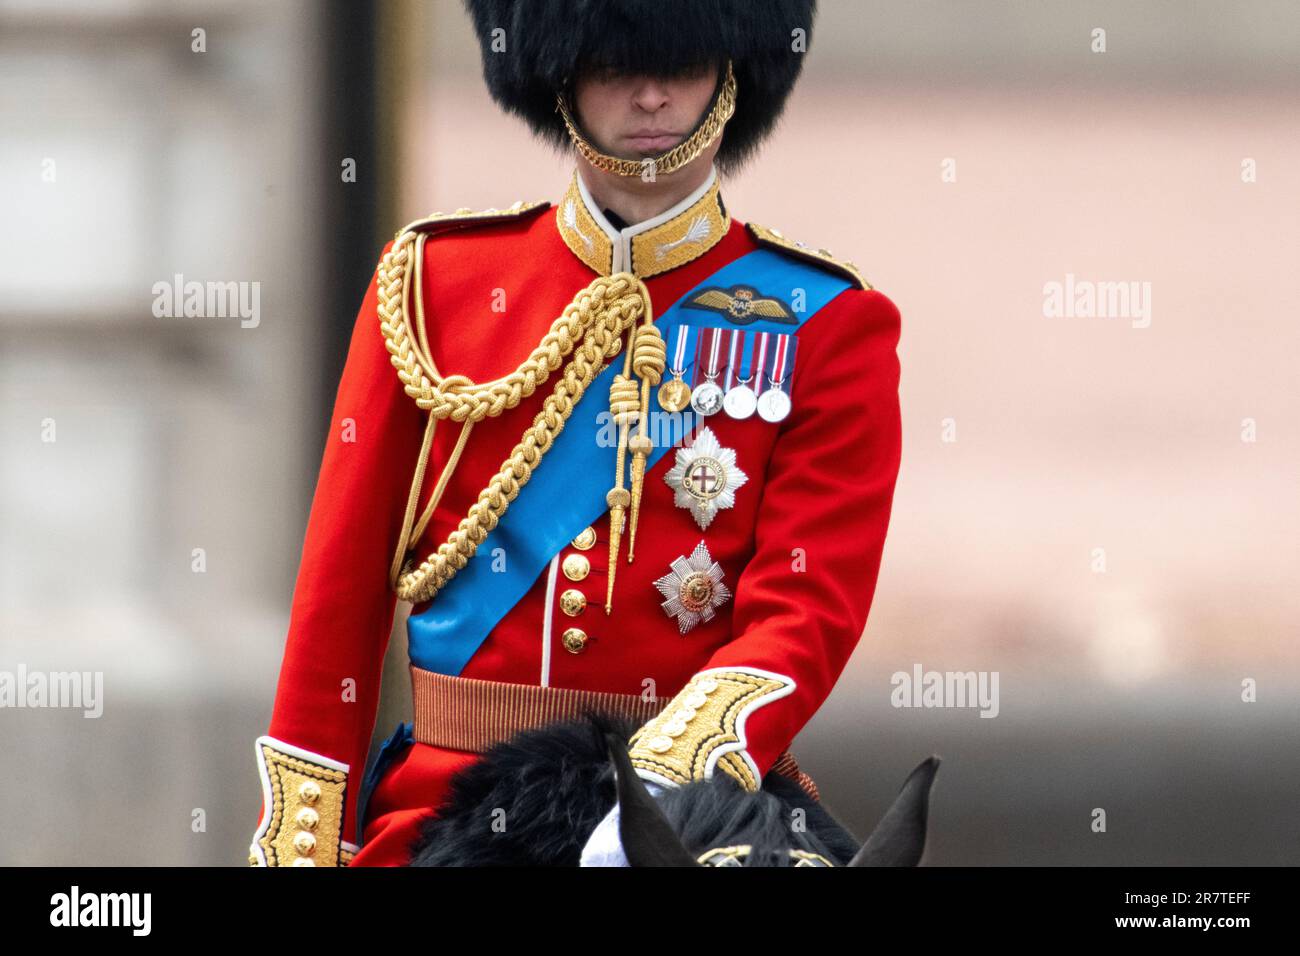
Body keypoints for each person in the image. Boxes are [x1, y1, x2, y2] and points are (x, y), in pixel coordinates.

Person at [247, 0, 903, 867]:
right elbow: (339, 601)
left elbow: (807, 607)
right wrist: (302, 839)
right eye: (612, 66)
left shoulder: (823, 321)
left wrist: (667, 781)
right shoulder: (431, 286)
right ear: (558, 73)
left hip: (693, 808)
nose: (649, 96)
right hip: (452, 800)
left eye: (683, 62)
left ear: (735, 70)